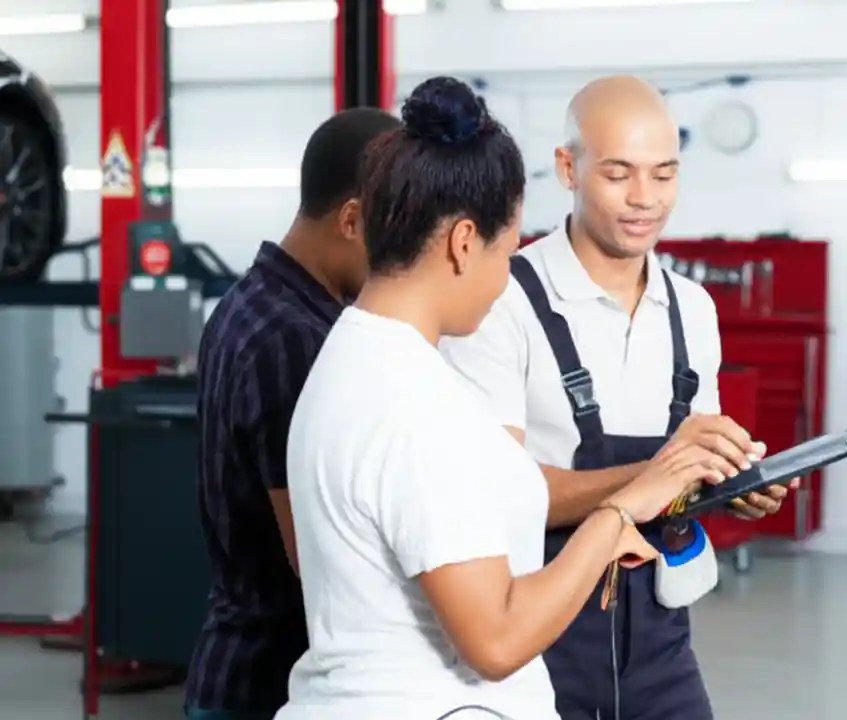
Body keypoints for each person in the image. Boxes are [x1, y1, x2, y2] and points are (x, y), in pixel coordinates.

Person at [274, 77, 735, 720]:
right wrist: (619, 512)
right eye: (508, 247)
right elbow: (495, 641)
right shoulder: (417, 405)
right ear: (465, 243)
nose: (507, 276)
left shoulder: (356, 357)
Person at [438, 75, 794, 720]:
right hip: (538, 637)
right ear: (567, 169)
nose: (644, 198)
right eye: (618, 173)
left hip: (661, 642)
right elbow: (491, 496)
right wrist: (655, 476)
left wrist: (732, 485)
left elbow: (691, 472)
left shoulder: (692, 310)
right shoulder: (501, 300)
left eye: (664, 174)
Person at [185, 107, 401, 720]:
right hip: (268, 684)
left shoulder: (250, 302)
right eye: (397, 234)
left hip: (238, 666)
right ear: (352, 220)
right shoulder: (294, 341)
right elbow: (315, 555)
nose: (402, 259)